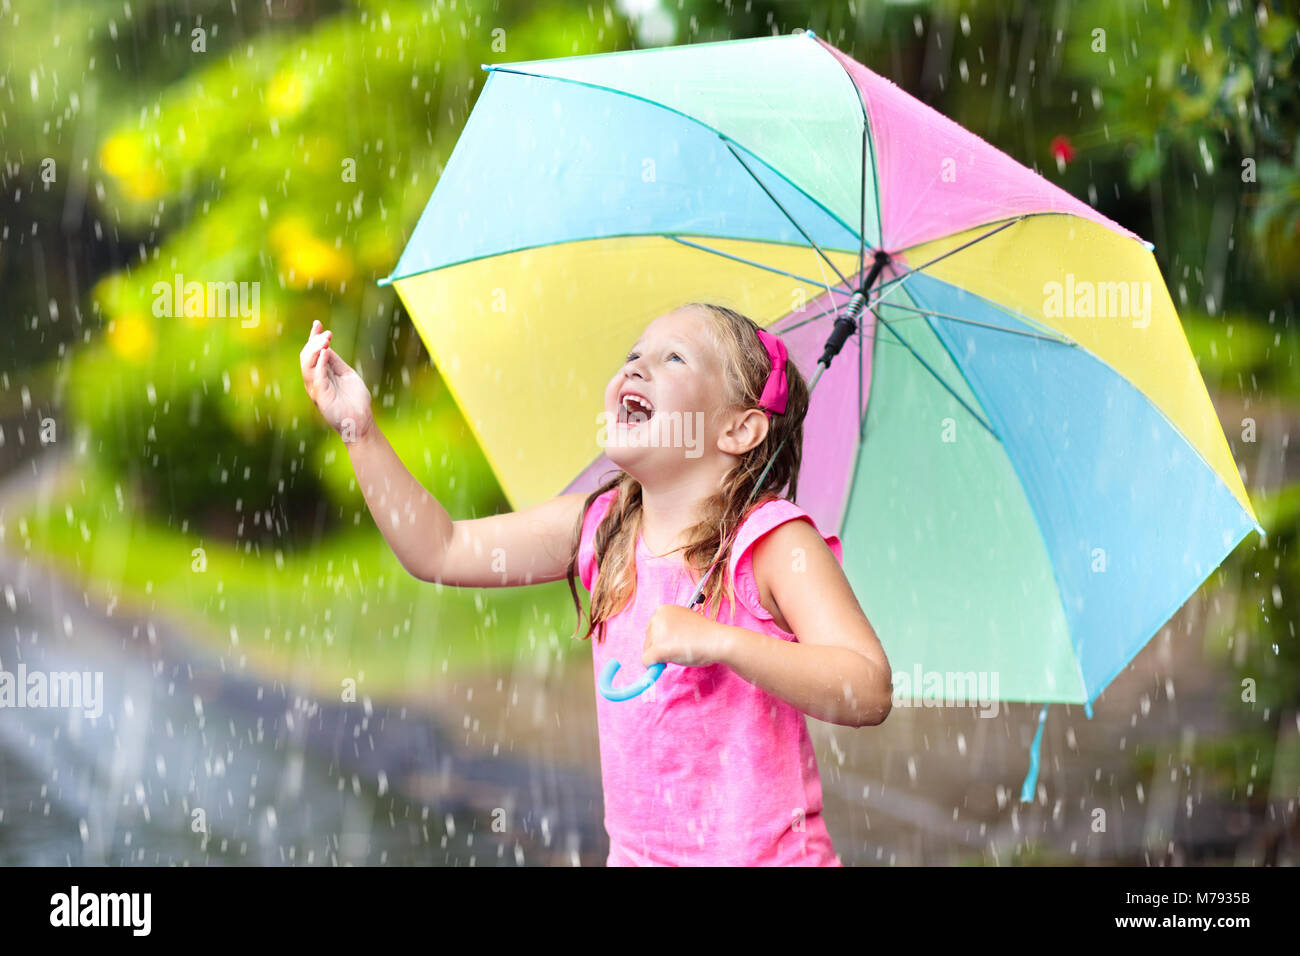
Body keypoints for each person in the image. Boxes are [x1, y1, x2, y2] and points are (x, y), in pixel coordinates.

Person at [299, 302, 892, 866]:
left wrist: (726, 643)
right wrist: (359, 430)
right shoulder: (601, 527)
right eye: (635, 354)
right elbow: (439, 548)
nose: (636, 366)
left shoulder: (771, 543)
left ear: (739, 430)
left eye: (674, 359)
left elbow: (866, 688)